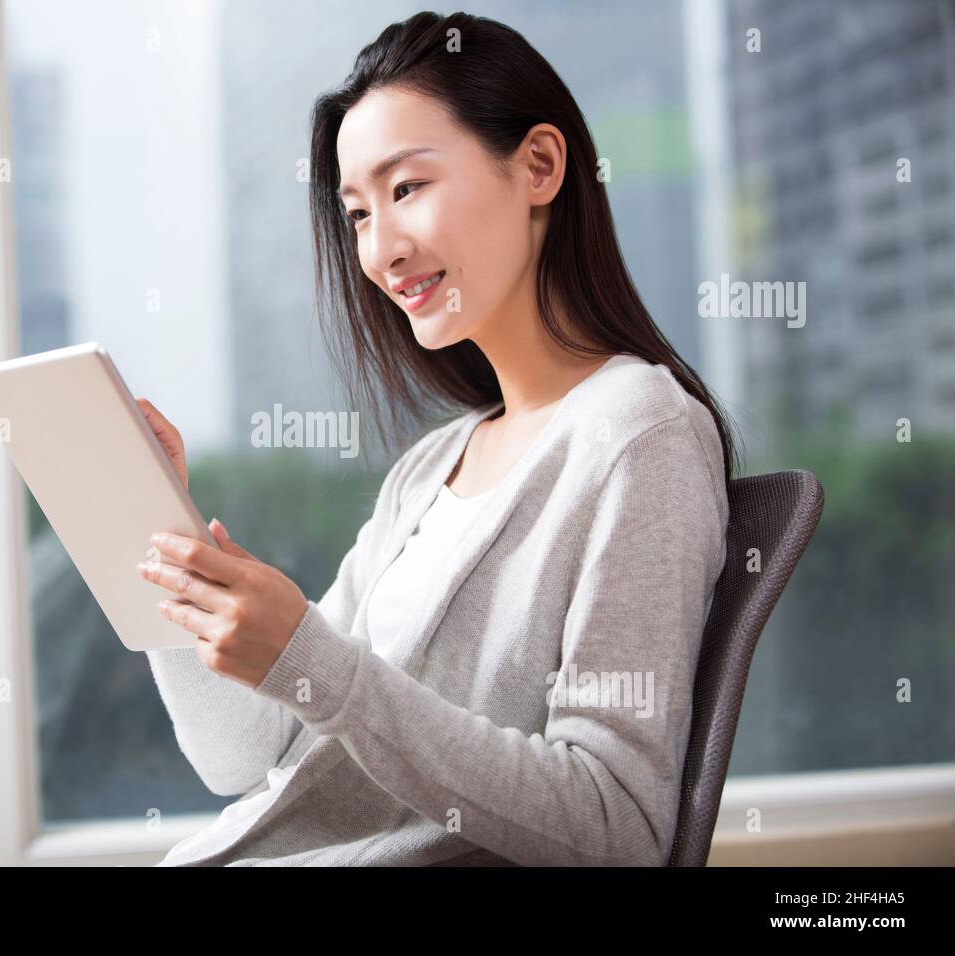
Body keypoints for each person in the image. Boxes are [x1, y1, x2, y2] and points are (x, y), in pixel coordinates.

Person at [138, 10, 735, 866]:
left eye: (406, 189)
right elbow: (245, 757)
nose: (380, 252)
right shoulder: (430, 468)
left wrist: (319, 664)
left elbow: (618, 830)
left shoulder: (638, 433)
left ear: (538, 166)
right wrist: (157, 534)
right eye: (356, 214)